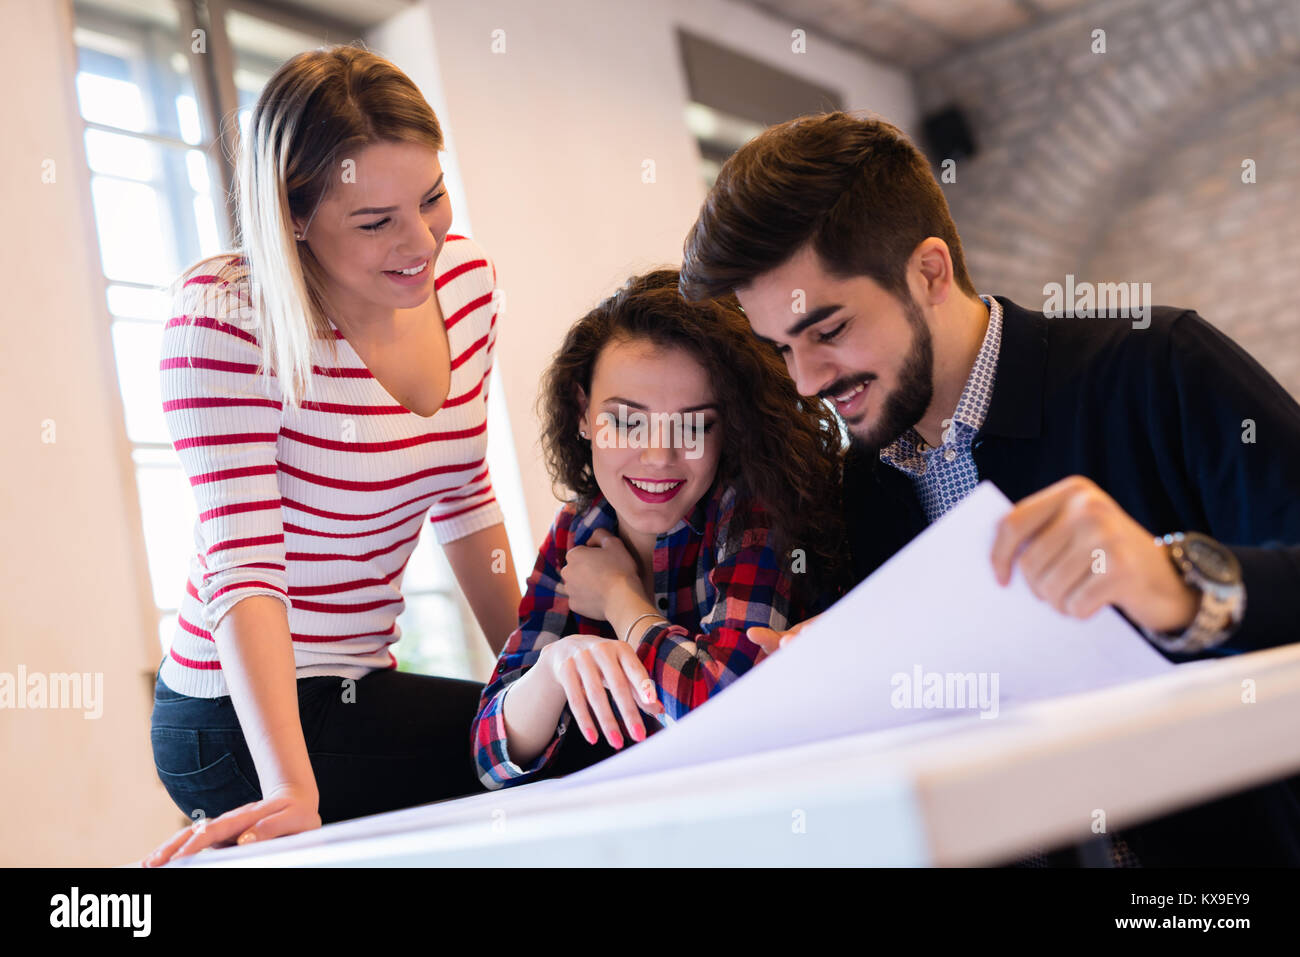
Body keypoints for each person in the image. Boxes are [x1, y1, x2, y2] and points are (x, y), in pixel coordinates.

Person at [677, 110, 1300, 867]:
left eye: (829, 330)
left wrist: (1175, 581)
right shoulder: (861, 489)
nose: (807, 381)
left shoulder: (1156, 366)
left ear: (930, 272)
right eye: (782, 350)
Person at [144, 45, 521, 866]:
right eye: (376, 220)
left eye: (432, 197)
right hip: (234, 716)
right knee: (535, 764)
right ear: (293, 217)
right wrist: (293, 788)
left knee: (555, 736)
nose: (420, 241)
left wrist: (529, 665)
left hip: (360, 682)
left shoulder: (468, 284)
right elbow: (245, 561)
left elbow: (465, 496)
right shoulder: (225, 321)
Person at [471, 270, 847, 789]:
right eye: (627, 421)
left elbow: (720, 719)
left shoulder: (754, 514)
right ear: (583, 413)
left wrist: (620, 599)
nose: (658, 458)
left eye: (693, 425)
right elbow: (492, 761)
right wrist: (554, 665)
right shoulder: (578, 529)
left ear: (730, 427)